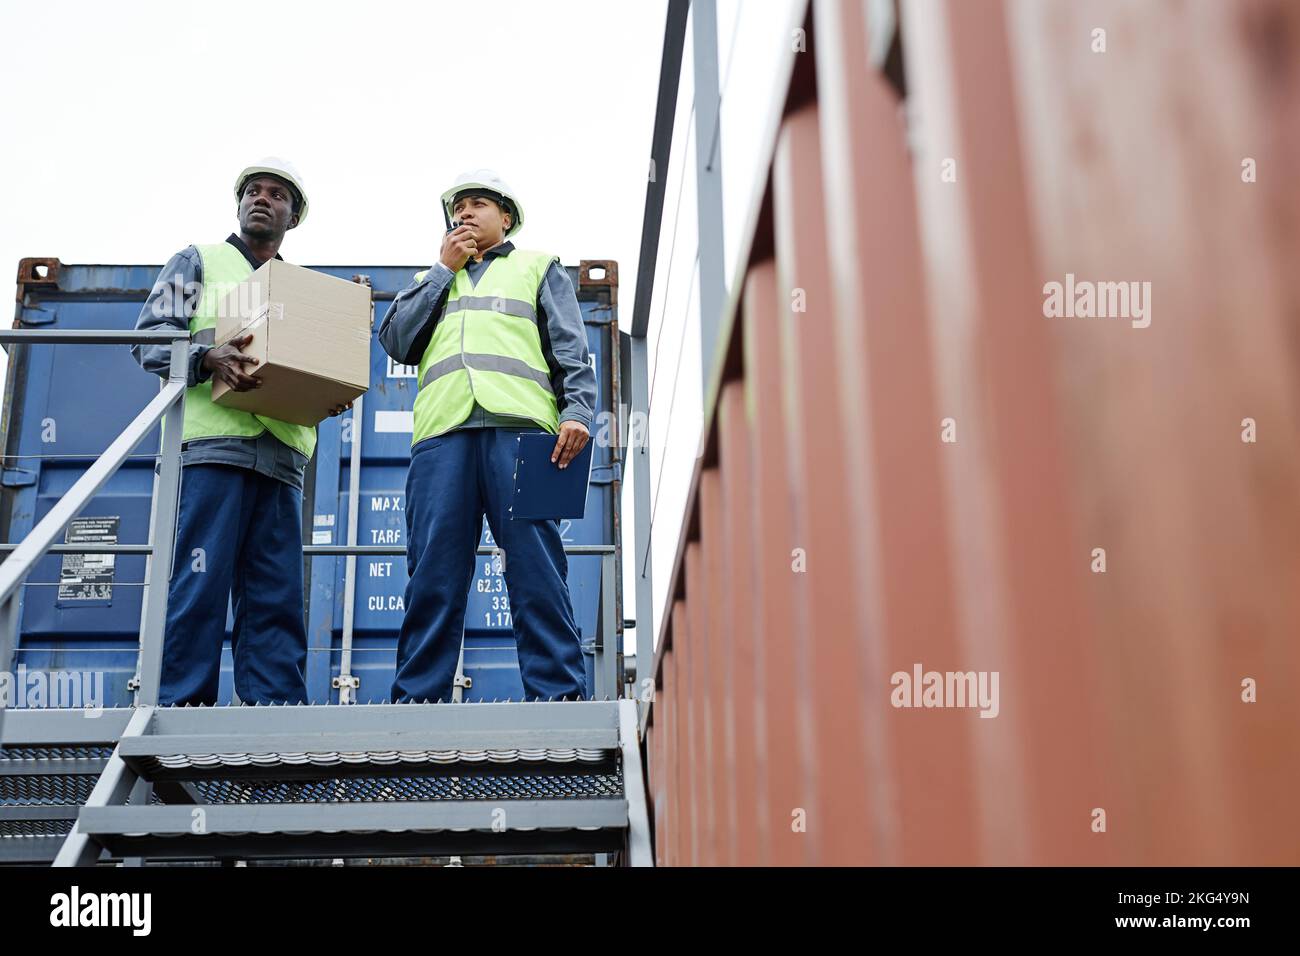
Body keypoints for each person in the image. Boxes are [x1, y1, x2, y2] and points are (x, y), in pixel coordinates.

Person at [132, 157, 348, 706]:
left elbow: (315, 367)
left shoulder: (301, 292)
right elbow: (149, 338)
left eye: (276, 194)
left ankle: (276, 716)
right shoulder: (198, 261)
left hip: (280, 461)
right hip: (212, 451)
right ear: (239, 204)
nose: (261, 198)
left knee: (276, 597)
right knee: (199, 584)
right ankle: (181, 710)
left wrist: (328, 389)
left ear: (292, 217)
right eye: (253, 190)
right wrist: (205, 357)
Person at [378, 169, 597, 703]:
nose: (465, 214)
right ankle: (416, 701)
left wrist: (579, 413)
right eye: (458, 208)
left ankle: (558, 697)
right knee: (433, 572)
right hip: (443, 440)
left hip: (525, 438)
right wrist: (440, 271)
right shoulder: (428, 280)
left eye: (478, 204)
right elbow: (396, 344)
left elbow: (571, 348)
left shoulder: (538, 267)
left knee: (537, 569)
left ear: (507, 217)